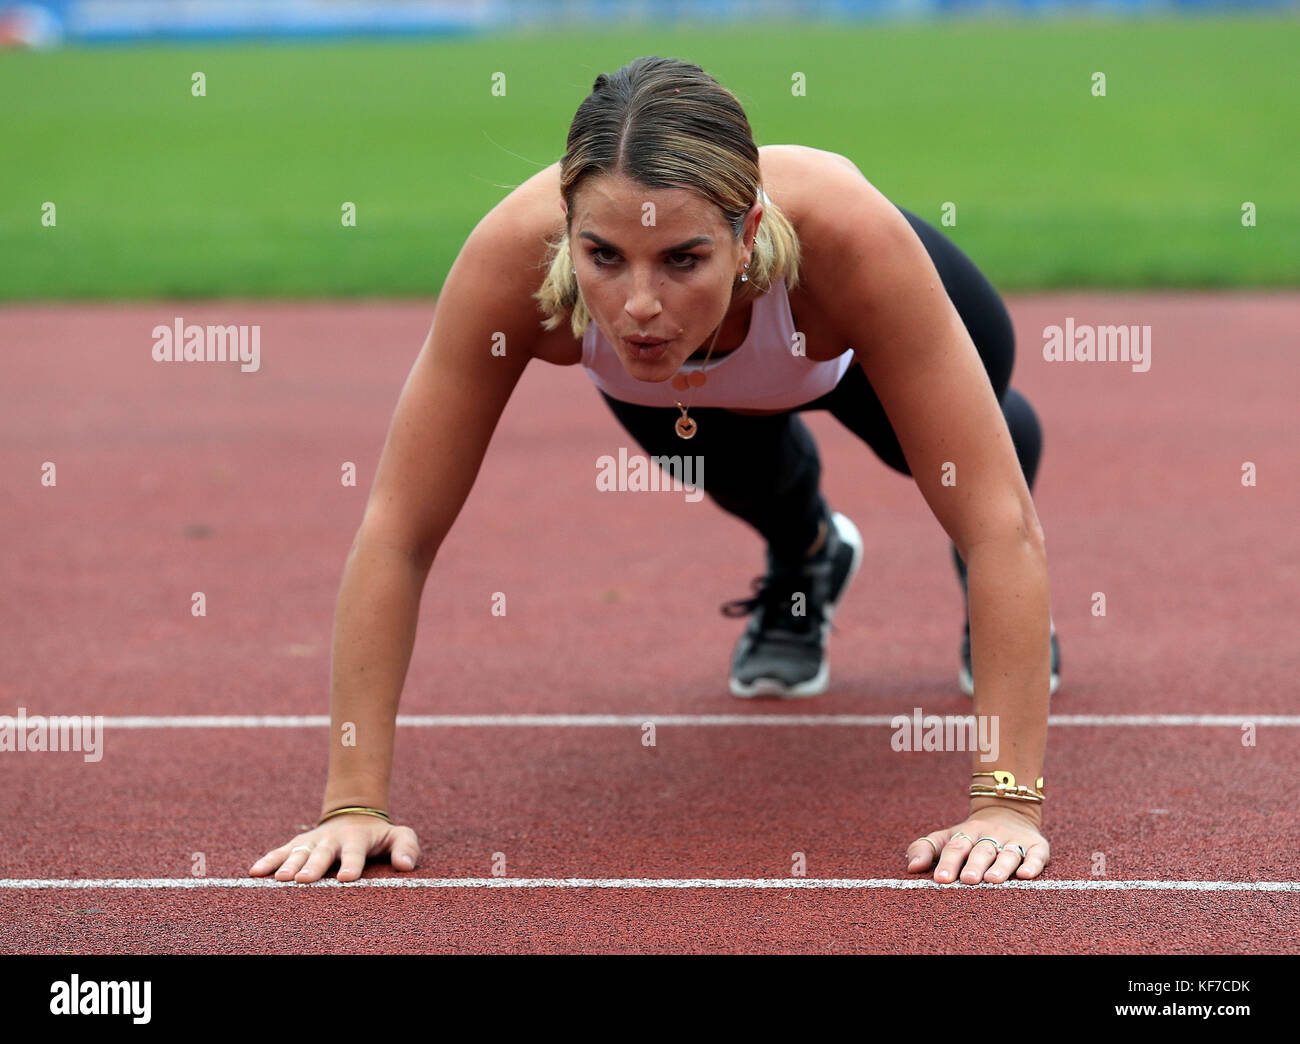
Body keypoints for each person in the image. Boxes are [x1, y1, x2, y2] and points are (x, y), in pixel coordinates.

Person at [251, 55, 1057, 888]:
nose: (638, 304)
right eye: (603, 256)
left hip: (846, 345)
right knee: (743, 479)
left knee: (970, 466)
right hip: (672, 389)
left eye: (681, 259)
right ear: (567, 229)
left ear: (747, 234)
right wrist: (353, 804)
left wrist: (1006, 803)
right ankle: (808, 554)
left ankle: (1004, 479)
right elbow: (398, 531)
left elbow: (1000, 525)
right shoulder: (513, 263)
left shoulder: (846, 243)